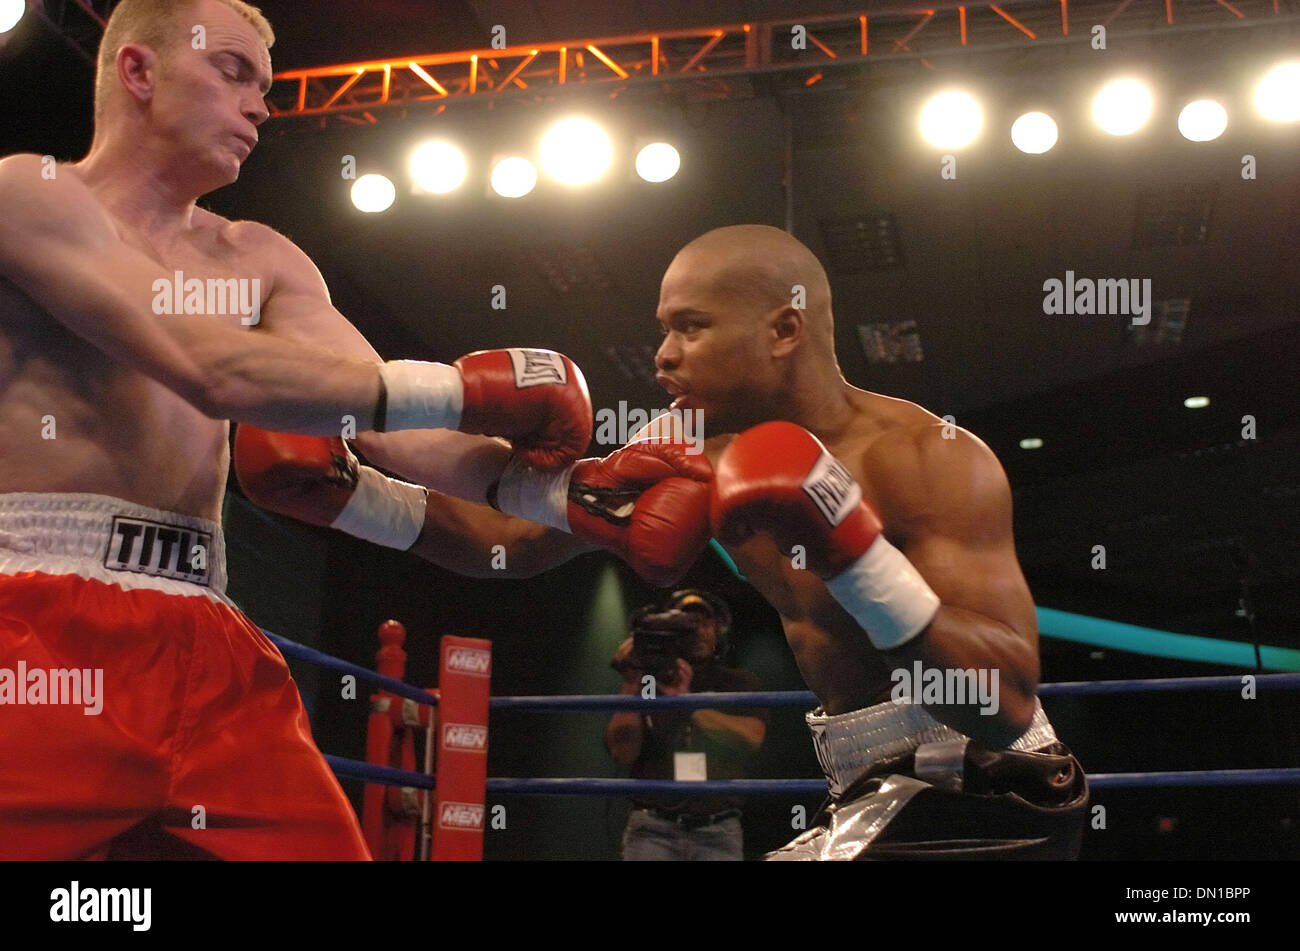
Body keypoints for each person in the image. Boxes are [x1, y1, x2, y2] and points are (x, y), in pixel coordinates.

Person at [0, 0, 632, 860]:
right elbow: (208, 364)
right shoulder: (30, 195)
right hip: (38, 628)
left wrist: (564, 491)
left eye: (267, 85)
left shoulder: (261, 257)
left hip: (207, 634)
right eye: (232, 72)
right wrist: (466, 388)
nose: (260, 104)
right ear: (138, 71)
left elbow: (397, 436)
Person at [270, 223, 1089, 860]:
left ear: (783, 329)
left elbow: (1003, 703)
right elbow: (511, 541)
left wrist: (851, 552)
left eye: (690, 328)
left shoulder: (928, 458)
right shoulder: (690, 439)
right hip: (868, 789)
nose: (662, 354)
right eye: (663, 328)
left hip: (984, 786)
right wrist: (357, 500)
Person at [605, 590, 767, 861]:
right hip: (651, 827)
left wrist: (686, 702)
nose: (697, 630)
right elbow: (623, 753)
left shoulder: (738, 683)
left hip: (718, 829)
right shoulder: (648, 683)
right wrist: (632, 680)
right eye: (686, 623)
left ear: (718, 631)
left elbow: (750, 738)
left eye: (704, 622)